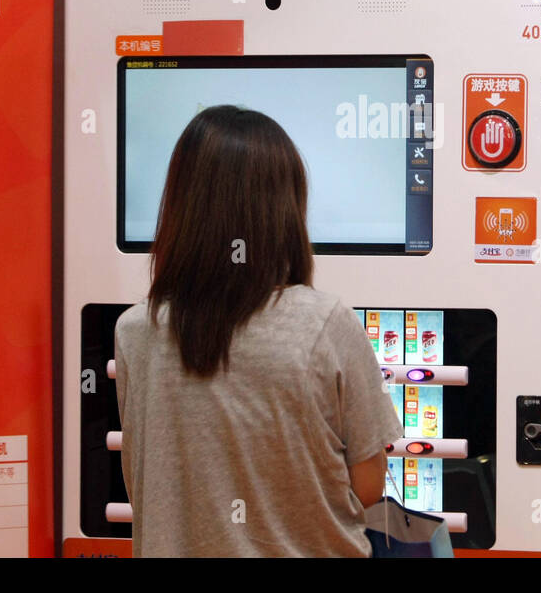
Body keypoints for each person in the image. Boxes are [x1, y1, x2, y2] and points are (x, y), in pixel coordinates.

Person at [114, 104, 403, 557]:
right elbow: (368, 485)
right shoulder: (326, 323)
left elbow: (144, 482)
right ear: (284, 211)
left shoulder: (135, 331)